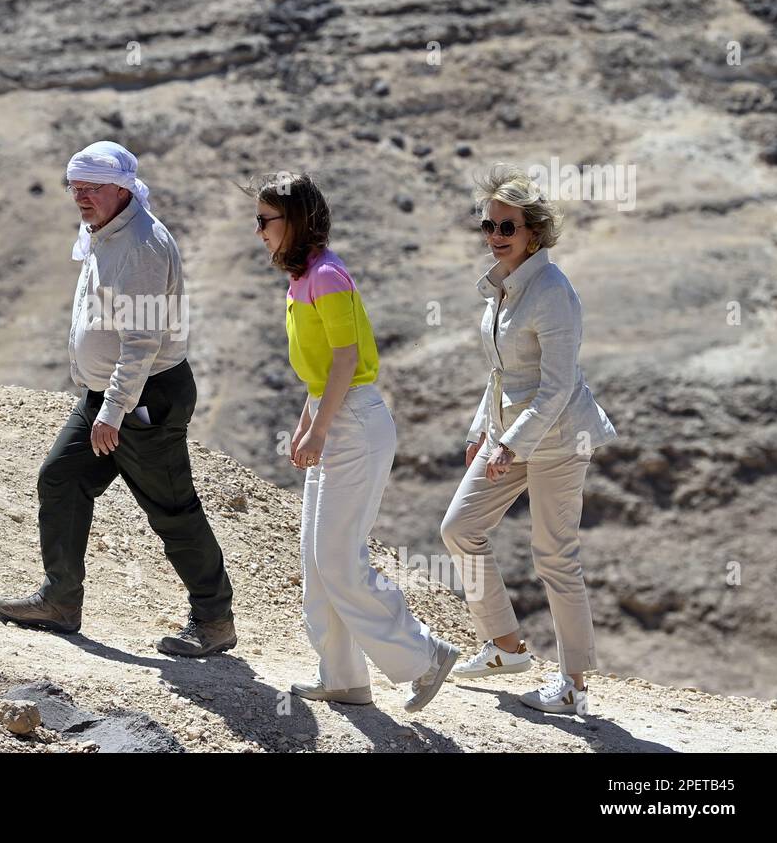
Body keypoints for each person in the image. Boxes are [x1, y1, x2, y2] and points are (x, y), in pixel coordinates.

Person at [0, 141, 237, 657]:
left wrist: (112, 411)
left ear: (121, 188)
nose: (80, 196)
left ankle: (214, 621)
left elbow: (142, 343)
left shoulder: (142, 245)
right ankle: (60, 601)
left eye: (91, 187)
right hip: (110, 395)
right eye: (75, 187)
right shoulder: (106, 231)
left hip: (144, 397)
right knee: (61, 477)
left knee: (170, 508)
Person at [253, 172, 457, 711]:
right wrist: (306, 421)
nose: (259, 232)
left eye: (265, 220)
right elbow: (323, 372)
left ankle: (425, 655)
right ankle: (343, 676)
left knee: (340, 558)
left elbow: (347, 360)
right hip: (333, 412)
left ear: (294, 222)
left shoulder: (327, 275)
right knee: (318, 559)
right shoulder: (303, 280)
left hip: (355, 423)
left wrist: (319, 428)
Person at [441, 163, 618, 716]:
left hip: (561, 438)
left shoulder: (552, 291)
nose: (495, 237)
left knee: (554, 557)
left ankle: (574, 686)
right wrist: (482, 431)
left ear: (533, 232)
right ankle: (505, 646)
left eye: (506, 227)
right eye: (489, 227)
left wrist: (509, 443)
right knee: (459, 529)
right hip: (511, 435)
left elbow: (557, 385)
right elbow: (502, 374)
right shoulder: (502, 288)